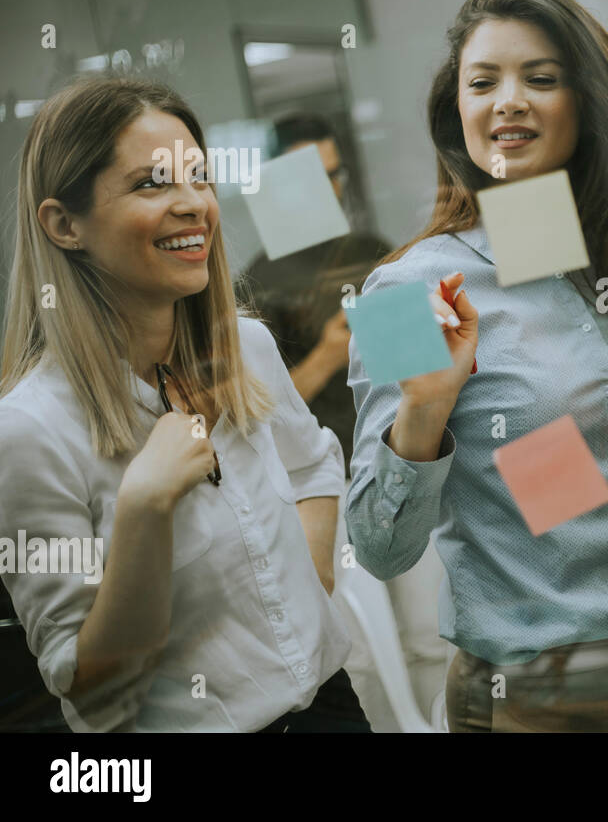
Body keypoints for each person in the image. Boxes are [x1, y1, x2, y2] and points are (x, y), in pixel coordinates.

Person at [345, 0, 608, 733]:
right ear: (456, 112)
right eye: (483, 82)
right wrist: (426, 406)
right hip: (537, 696)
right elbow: (380, 548)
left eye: (540, 77)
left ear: (588, 101)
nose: (508, 101)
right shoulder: (403, 291)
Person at [0, 77, 367, 731]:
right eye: (153, 184)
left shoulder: (247, 348)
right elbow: (88, 686)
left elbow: (313, 467)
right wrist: (144, 508)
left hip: (330, 709)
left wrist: (308, 597)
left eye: (199, 178)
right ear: (64, 224)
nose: (194, 204)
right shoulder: (30, 432)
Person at [242, 113, 391, 470]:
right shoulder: (258, 283)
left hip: (394, 452)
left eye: (333, 175)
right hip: (322, 473)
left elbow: (417, 364)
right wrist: (327, 357)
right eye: (311, 178)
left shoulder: (371, 252)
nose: (329, 190)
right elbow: (254, 418)